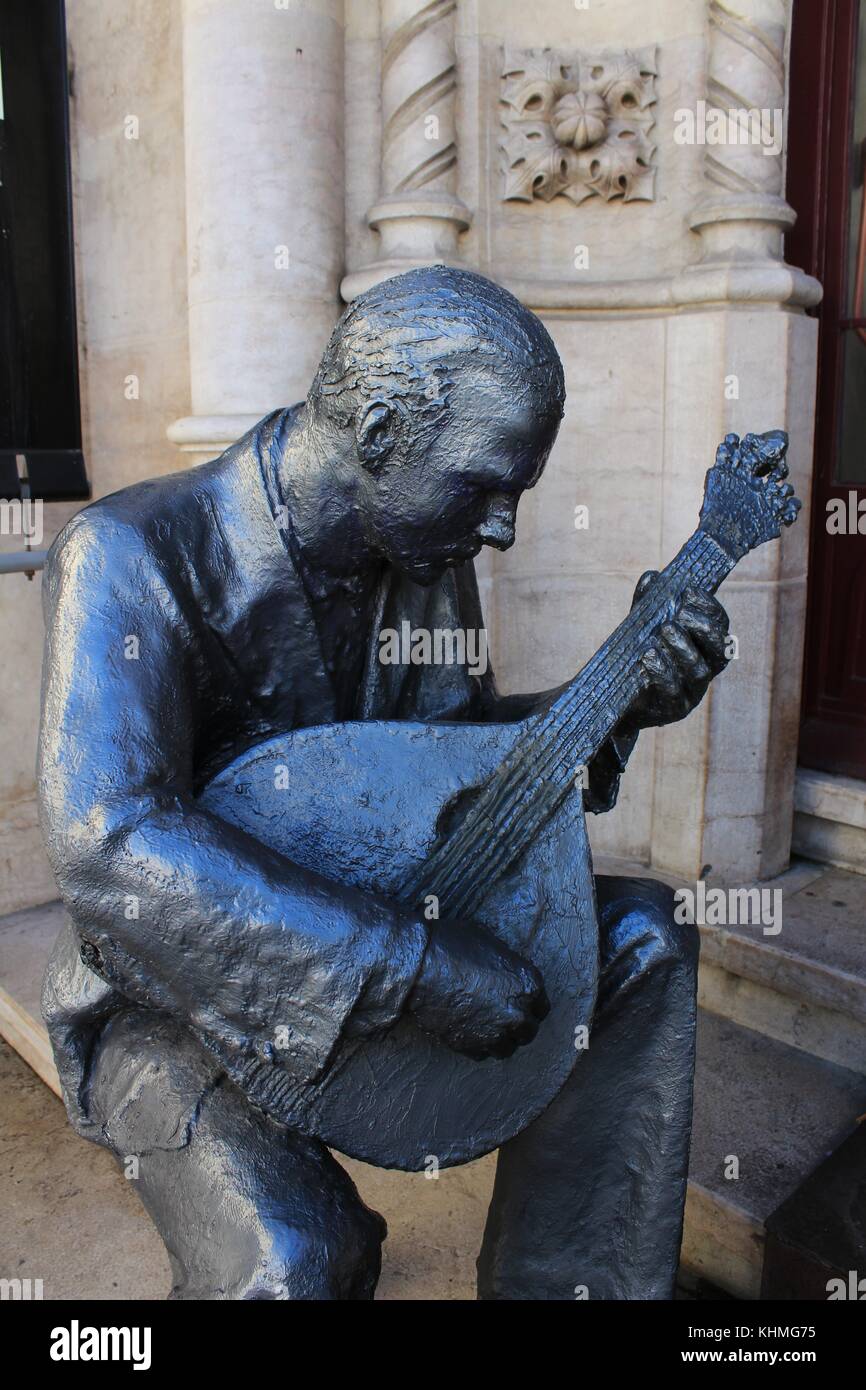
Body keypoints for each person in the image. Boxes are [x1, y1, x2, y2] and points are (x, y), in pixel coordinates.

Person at [39, 266, 728, 1300]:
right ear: (373, 433)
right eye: (484, 486)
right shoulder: (131, 554)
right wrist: (408, 968)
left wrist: (616, 697)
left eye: (517, 494)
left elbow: (453, 768)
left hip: (403, 926)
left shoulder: (424, 556)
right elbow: (110, 845)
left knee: (640, 939)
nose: (500, 528)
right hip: (173, 1005)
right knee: (301, 1260)